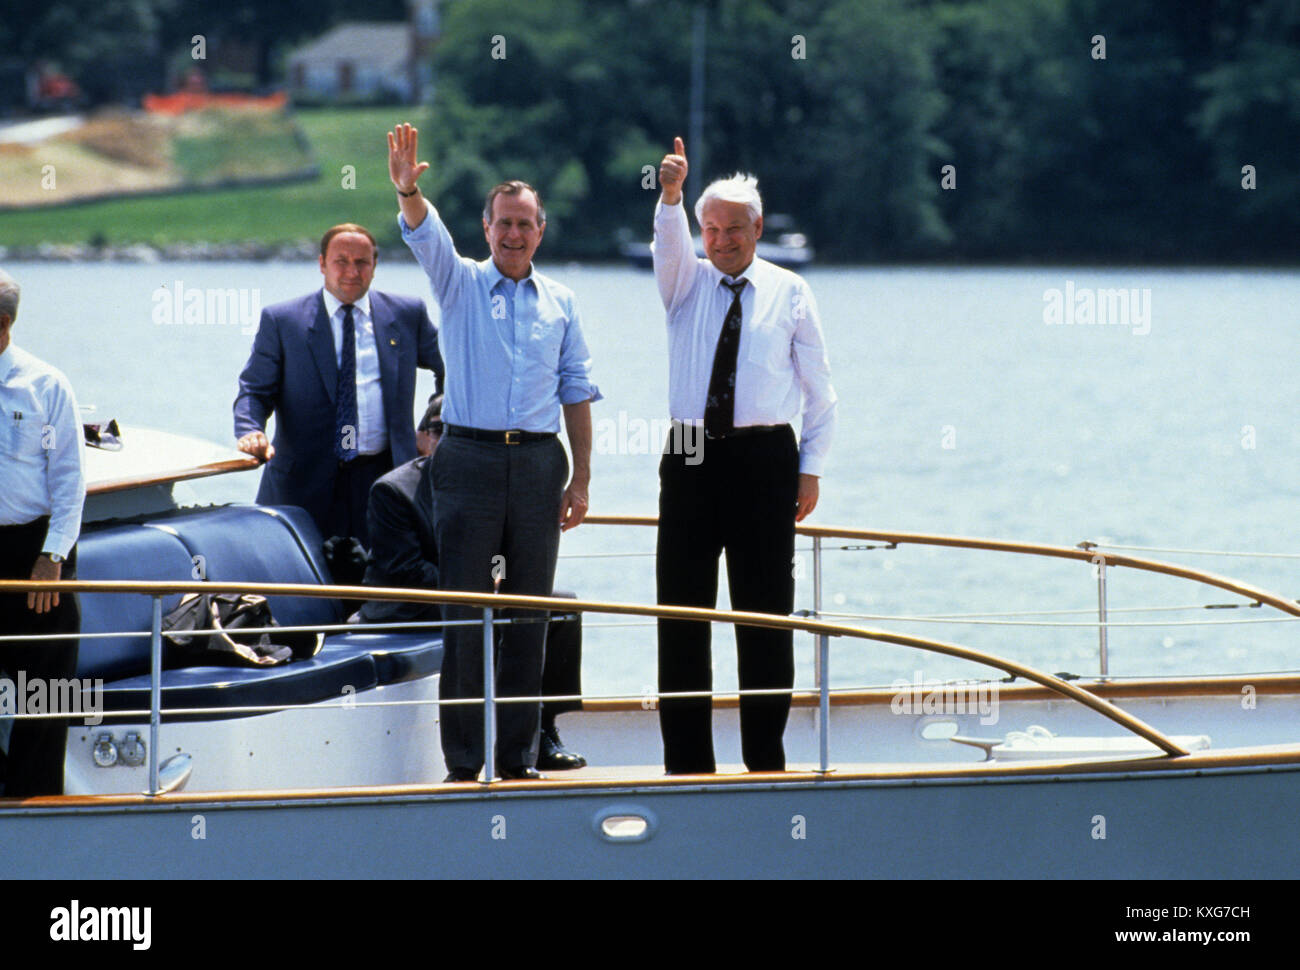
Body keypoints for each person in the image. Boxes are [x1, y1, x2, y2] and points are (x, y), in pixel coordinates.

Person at [387, 122, 599, 782]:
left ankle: (518, 758)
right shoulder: (459, 284)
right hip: (469, 460)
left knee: (531, 612)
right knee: (465, 614)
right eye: (503, 223)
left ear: (541, 231)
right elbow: (426, 236)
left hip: (539, 462)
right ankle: (463, 760)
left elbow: (577, 392)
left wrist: (582, 479)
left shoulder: (562, 302)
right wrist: (406, 191)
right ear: (486, 228)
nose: (513, 234)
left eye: (525, 224)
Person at [652, 138, 837, 774]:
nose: (723, 239)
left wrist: (809, 467)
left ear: (757, 228)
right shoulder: (683, 282)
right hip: (688, 447)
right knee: (680, 612)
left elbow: (821, 390)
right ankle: (688, 765)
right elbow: (668, 241)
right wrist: (672, 195)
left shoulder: (791, 291)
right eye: (712, 228)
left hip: (765, 454)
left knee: (764, 617)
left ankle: (766, 759)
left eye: (735, 228)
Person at [357, 394, 587, 770]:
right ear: (422, 438)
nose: (445, 438)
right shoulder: (393, 491)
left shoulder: (490, 487)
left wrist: (496, 584)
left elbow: (500, 558)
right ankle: (468, 754)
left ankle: (542, 730)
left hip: (472, 591)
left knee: (560, 608)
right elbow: (404, 571)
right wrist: (480, 587)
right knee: (475, 616)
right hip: (410, 603)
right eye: (437, 430)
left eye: (452, 430)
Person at [233, 223, 445, 547]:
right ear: (322, 264)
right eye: (341, 261)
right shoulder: (283, 321)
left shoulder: (406, 314)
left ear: (375, 266)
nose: (351, 271)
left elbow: (451, 368)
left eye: (361, 262)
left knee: (387, 583)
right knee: (299, 589)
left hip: (386, 479)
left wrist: (433, 429)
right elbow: (254, 390)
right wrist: (249, 430)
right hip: (302, 483)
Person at [0, 268, 85, 797]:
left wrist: (53, 556)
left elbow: (71, 477)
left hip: (34, 547)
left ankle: (36, 802)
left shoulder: (46, 385)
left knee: (46, 685)